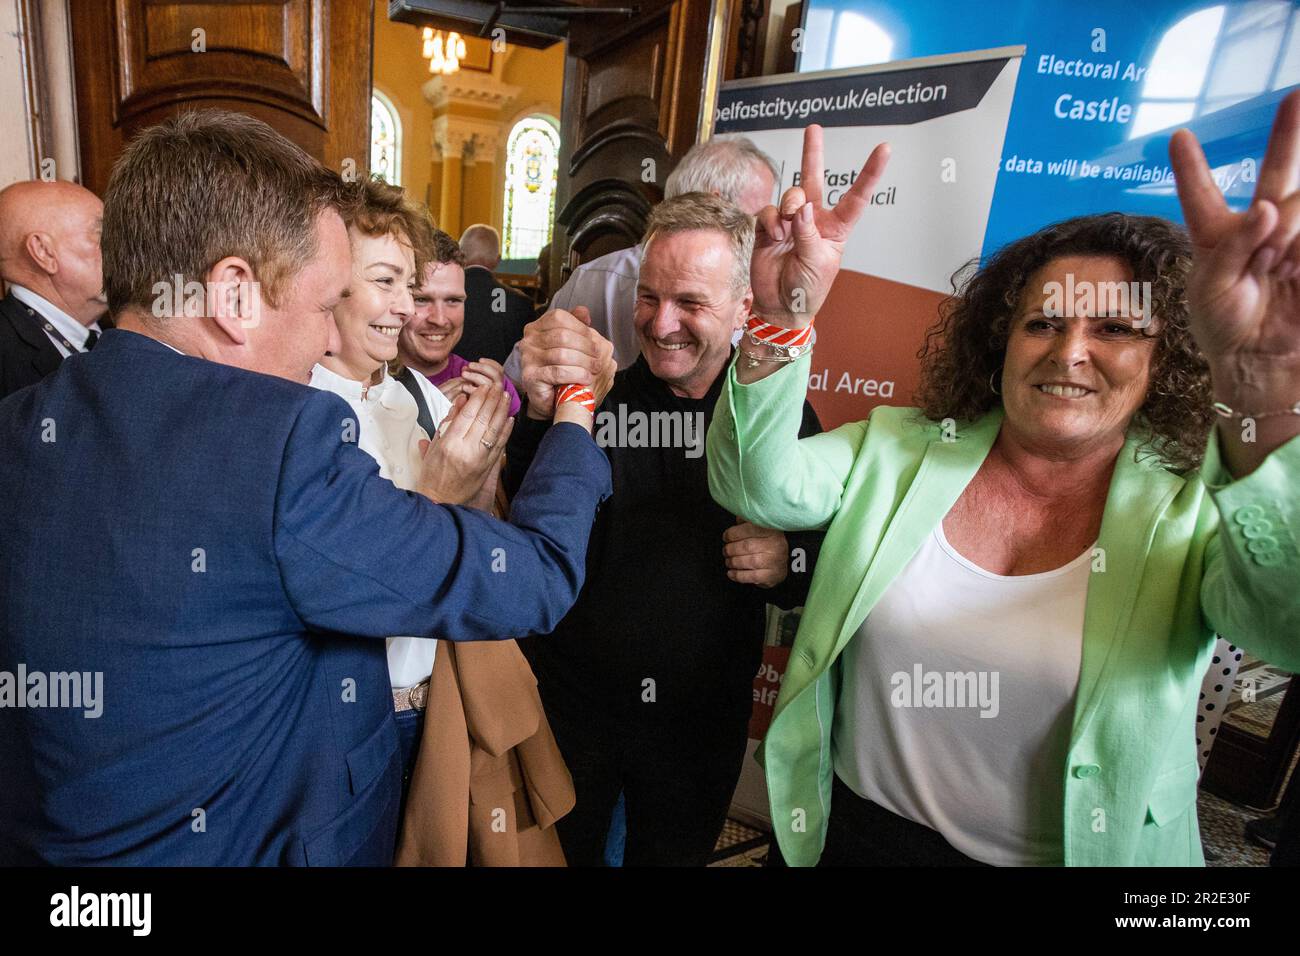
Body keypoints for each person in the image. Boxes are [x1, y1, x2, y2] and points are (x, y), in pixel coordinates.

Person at [0, 109, 616, 866]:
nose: (331, 338)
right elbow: (536, 575)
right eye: (327, 305)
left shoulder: (19, 421)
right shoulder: (280, 443)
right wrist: (577, 414)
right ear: (233, 295)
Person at [707, 108, 1300, 867]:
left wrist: (1259, 390)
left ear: (1168, 357)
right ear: (1001, 339)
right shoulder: (900, 447)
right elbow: (759, 487)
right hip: (863, 841)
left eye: (1115, 331)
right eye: (1043, 324)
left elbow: (1286, 630)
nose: (1071, 353)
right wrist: (782, 317)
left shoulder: (1190, 506)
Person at [505, 193, 822, 866]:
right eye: (648, 297)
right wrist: (538, 413)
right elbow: (526, 520)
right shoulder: (599, 394)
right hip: (570, 712)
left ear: (743, 307)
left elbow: (831, 560)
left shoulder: (777, 415)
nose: (661, 323)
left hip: (696, 726)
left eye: (690, 303)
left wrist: (788, 558)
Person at [306, 178, 461, 807]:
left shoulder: (421, 396)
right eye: (385, 281)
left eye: (411, 285)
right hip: (340, 714)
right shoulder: (294, 407)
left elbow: (465, 550)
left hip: (434, 696)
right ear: (327, 284)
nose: (407, 309)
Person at [503, 135, 779, 386]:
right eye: (752, 222)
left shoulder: (591, 274)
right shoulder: (590, 278)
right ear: (712, 204)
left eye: (689, 302)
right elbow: (521, 375)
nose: (662, 326)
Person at [0, 180, 109, 398]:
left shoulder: (127, 328)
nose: (125, 248)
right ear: (44, 252)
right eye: (101, 233)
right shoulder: (6, 358)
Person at [397, 233, 522, 417]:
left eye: (453, 300)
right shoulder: (368, 384)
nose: (439, 319)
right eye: (422, 299)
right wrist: (428, 419)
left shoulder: (491, 385)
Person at [456, 223, 534, 366]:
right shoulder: (520, 303)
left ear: (459, 255)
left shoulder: (444, 296)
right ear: (497, 260)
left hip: (441, 384)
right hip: (498, 384)